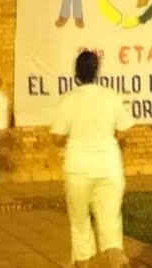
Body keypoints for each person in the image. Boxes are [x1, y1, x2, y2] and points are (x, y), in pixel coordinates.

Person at [52, 50, 133, 267]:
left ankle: (82, 262)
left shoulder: (68, 99)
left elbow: (57, 137)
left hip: (78, 168)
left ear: (76, 72)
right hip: (109, 166)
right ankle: (117, 259)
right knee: (110, 220)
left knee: (79, 222)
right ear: (97, 70)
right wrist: (110, 140)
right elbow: (124, 130)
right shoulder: (111, 96)